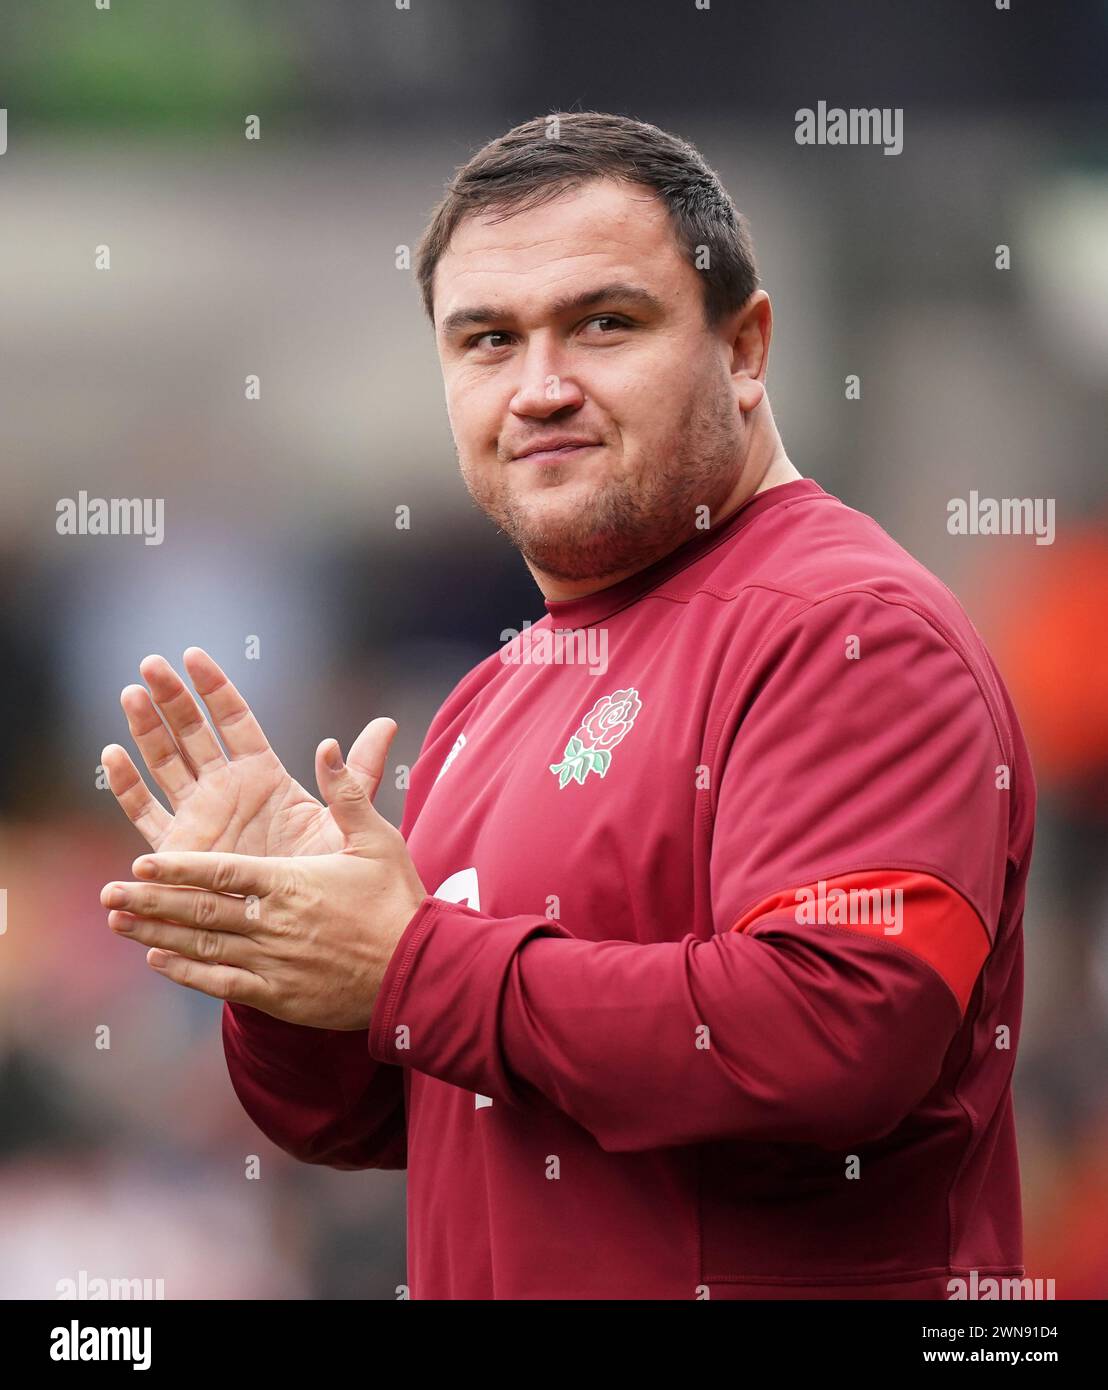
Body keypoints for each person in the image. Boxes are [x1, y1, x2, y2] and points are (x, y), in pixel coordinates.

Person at [100, 111, 1035, 1300]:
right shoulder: (497, 692)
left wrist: (411, 965)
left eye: (603, 323)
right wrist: (300, 970)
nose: (540, 388)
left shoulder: (848, 630)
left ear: (744, 350)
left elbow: (836, 1036)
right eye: (487, 341)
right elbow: (385, 1118)